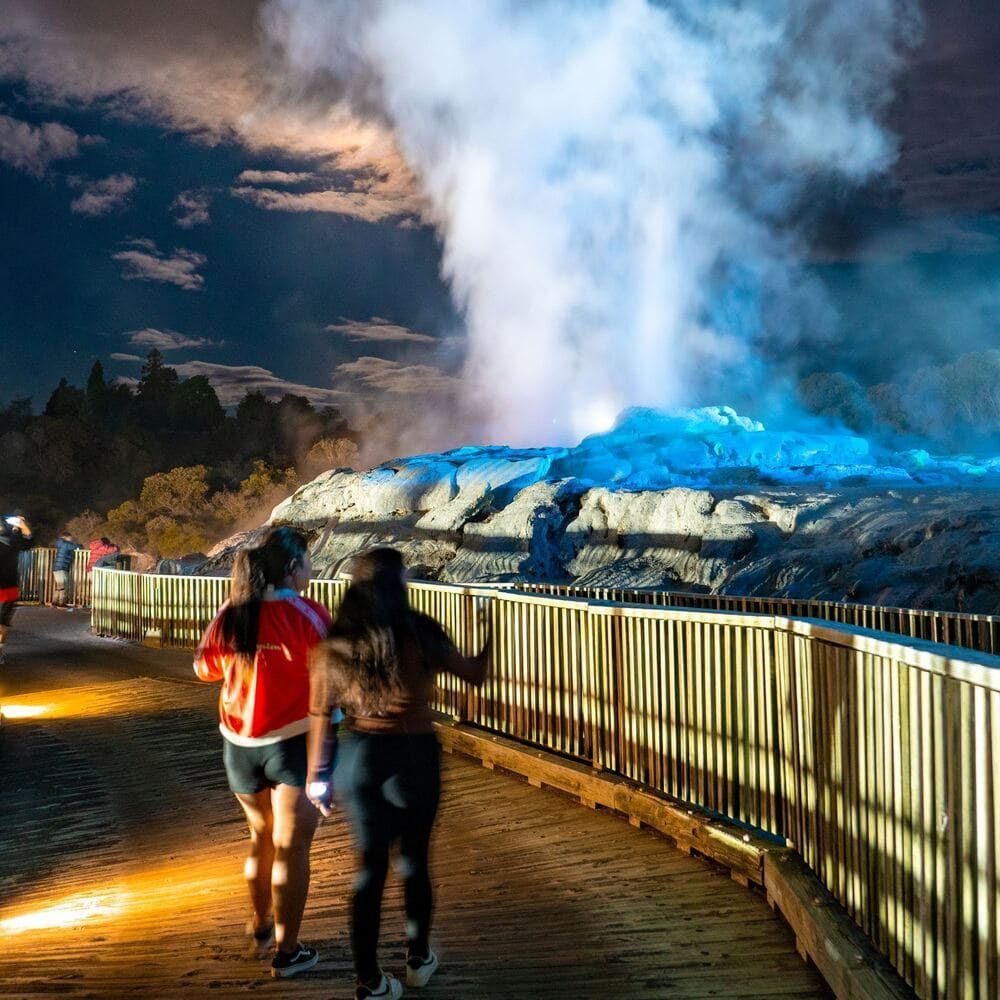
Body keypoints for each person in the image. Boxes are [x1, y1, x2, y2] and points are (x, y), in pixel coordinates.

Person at [307, 548, 490, 1000]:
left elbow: (319, 715)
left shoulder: (335, 643)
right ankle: (417, 956)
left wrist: (318, 776)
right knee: (414, 860)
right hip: (415, 755)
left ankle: (369, 980)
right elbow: (474, 673)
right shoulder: (419, 631)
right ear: (397, 585)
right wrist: (488, 630)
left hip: (362, 755)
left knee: (368, 869)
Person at [194, 526, 335, 978]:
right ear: (294, 568)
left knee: (261, 838)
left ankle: (259, 924)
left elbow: (203, 668)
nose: (311, 571)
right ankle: (288, 950)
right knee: (291, 848)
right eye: (309, 563)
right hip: (293, 744)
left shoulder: (231, 613)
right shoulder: (309, 614)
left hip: (239, 745)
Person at [0, 515, 34, 665]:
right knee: (3, 622)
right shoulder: (12, 541)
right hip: (9, 587)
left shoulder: (11, 540)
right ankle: (0, 648)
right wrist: (21, 525)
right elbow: (29, 539)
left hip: (8, 588)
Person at [52, 530, 83, 609]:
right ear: (66, 537)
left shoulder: (61, 543)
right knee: (63, 587)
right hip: (62, 567)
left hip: (57, 568)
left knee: (59, 586)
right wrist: (80, 546)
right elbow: (76, 546)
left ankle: (55, 602)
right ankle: (61, 604)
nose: (71, 539)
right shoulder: (65, 544)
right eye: (70, 538)